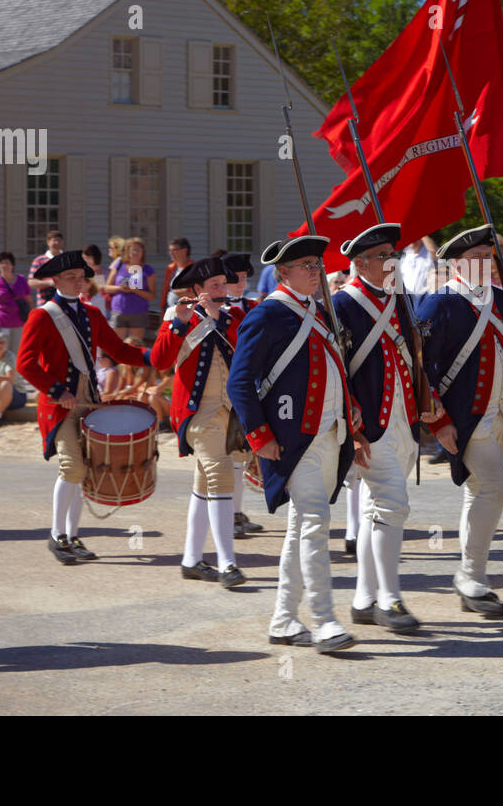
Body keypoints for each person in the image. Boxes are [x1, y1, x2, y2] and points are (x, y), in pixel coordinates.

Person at [227, 236, 366, 653]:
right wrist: (259, 435)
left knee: (301, 528)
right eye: (307, 265)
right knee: (314, 525)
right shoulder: (268, 314)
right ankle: (324, 621)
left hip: (331, 433)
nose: (317, 271)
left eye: (318, 264)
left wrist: (351, 406)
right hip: (293, 438)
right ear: (284, 273)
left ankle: (284, 620)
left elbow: (332, 366)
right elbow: (240, 382)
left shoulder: (319, 311)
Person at [417, 225, 503, 616]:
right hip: (467, 417)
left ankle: (473, 578)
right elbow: (421, 369)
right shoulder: (439, 303)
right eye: (471, 259)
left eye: (485, 257)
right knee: (496, 485)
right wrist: (438, 423)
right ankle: (470, 577)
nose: (481, 264)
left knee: (480, 490)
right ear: (455, 263)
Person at [333, 224, 441, 632]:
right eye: (383, 257)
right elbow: (337, 370)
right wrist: (353, 426)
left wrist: (428, 401)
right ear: (360, 264)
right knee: (393, 505)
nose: (392, 262)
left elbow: (415, 356)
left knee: (374, 509)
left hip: (404, 420)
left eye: (394, 255)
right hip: (370, 424)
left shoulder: (400, 300)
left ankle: (363, 598)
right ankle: (390, 599)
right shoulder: (343, 303)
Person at [16, 251, 154, 565]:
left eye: (81, 277)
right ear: (55, 281)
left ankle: (71, 535)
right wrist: (57, 390)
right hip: (58, 404)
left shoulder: (91, 313)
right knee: (72, 467)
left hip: (89, 400)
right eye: (71, 277)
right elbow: (24, 364)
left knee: (85, 472)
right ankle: (56, 535)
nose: (78, 282)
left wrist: (153, 356)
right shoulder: (42, 315)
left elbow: (118, 349)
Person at [150, 255, 248, 588]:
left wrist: (215, 315)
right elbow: (159, 360)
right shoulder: (178, 317)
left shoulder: (232, 317)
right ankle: (228, 564)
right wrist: (178, 322)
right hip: (197, 412)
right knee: (221, 476)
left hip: (230, 410)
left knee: (204, 485)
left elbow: (242, 347)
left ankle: (191, 559)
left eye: (224, 284)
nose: (223, 289)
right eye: (215, 286)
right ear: (197, 289)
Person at [217, 252, 262, 538]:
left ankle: (235, 511)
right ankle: (229, 514)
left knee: (242, 456)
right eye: (237, 279)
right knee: (232, 457)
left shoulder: (254, 306)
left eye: (245, 278)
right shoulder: (218, 311)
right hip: (227, 390)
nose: (242, 284)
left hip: (251, 387)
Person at [103, 237, 157, 341]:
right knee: (116, 345)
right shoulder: (119, 265)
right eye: (133, 249)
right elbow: (107, 288)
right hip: (118, 311)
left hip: (138, 312)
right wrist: (120, 288)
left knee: (135, 346)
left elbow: (152, 295)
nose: (135, 252)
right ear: (127, 251)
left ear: (143, 252)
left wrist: (134, 290)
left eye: (138, 249)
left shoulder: (147, 269)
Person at [0, 251, 32, 354]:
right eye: (2, 263)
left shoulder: (22, 280)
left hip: (19, 323)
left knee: (17, 353)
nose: (4, 265)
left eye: (7, 263)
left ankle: (13, 371)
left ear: (12, 265)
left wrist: (32, 318)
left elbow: (29, 301)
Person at [28, 230, 65, 306]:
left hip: (65, 303)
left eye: (59, 240)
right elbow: (31, 283)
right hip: (44, 303)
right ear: (48, 242)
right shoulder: (39, 261)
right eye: (54, 240)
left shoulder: (67, 260)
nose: (57, 243)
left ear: (62, 242)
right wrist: (50, 283)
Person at [161, 237, 193, 313]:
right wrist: (162, 309)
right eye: (169, 250)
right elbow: (165, 291)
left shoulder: (193, 268)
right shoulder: (170, 268)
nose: (171, 253)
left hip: (187, 312)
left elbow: (199, 293)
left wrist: (185, 293)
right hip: (170, 311)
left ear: (184, 250)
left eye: (174, 250)